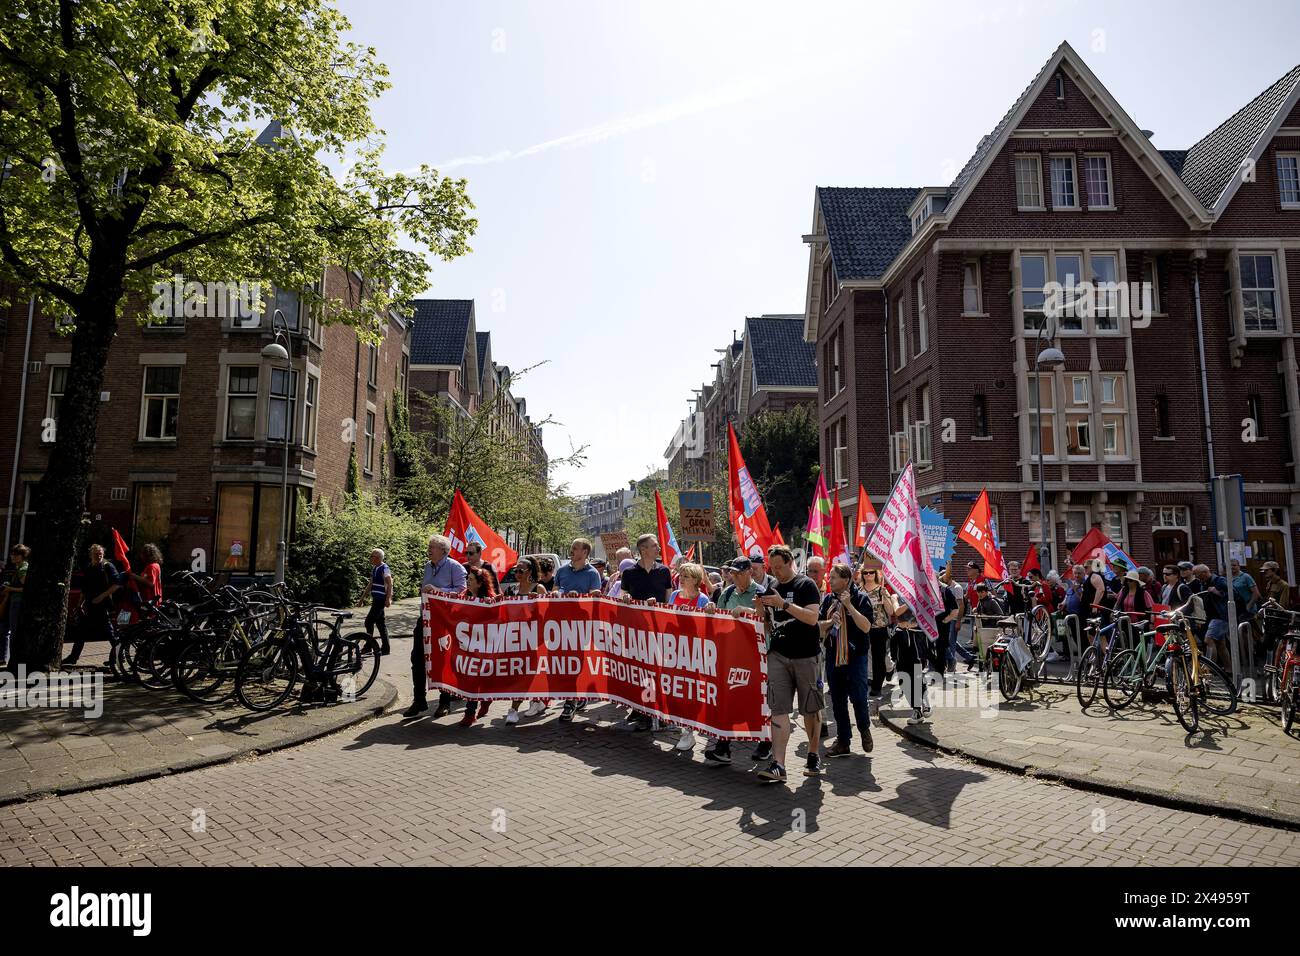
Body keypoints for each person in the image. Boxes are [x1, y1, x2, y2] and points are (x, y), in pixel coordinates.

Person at [755, 544, 824, 783]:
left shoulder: (806, 585)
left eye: (780, 567)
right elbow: (767, 622)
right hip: (778, 655)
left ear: (789, 563)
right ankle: (778, 765)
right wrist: (761, 609)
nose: (776, 572)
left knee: (810, 708)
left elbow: (813, 618)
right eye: (772, 568)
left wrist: (783, 604)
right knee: (778, 708)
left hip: (806, 655)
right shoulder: (771, 586)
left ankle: (813, 753)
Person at [705, 557, 764, 765]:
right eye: (733, 573)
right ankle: (723, 748)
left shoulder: (762, 592)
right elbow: (718, 619)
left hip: (755, 656)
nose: (735, 576)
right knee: (729, 698)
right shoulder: (727, 593)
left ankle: (765, 743)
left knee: (755, 700)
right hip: (732, 654)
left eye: (739, 572)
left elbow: (768, 621)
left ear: (750, 572)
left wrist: (749, 612)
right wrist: (711, 609)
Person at [404, 534, 466, 718]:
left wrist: (438, 591)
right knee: (417, 658)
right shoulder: (427, 567)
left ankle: (444, 702)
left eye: (432, 547)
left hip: (444, 621)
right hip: (424, 618)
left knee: (442, 660)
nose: (428, 549)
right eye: (429, 546)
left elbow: (462, 592)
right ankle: (419, 700)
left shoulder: (455, 567)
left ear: (443, 551)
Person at [817, 563, 874, 757]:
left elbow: (866, 627)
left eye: (833, 577)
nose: (829, 581)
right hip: (833, 655)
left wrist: (849, 606)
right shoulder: (827, 601)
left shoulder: (861, 598)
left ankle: (864, 728)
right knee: (838, 700)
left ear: (845, 579)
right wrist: (829, 621)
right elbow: (818, 627)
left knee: (858, 697)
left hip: (856, 656)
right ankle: (843, 741)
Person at [618, 535, 673, 731]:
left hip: (659, 630)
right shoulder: (630, 573)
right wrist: (626, 599)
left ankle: (661, 712)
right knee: (640, 671)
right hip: (637, 631)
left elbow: (669, 599)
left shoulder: (664, 571)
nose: (658, 548)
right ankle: (642, 712)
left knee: (660, 671)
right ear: (643, 549)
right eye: (654, 545)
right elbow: (622, 595)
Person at [666, 562, 714, 752]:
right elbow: (666, 617)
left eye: (685, 576)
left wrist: (710, 612)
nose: (681, 579)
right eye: (680, 575)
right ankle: (683, 727)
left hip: (694, 652)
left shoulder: (702, 600)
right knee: (677, 690)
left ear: (695, 580)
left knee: (691, 691)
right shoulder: (675, 596)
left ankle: (689, 731)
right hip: (675, 649)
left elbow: (709, 626)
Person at [506, 556, 550, 724]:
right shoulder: (511, 590)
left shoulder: (538, 589)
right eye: (515, 570)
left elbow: (547, 615)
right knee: (519, 673)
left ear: (530, 572)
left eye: (520, 570)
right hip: (516, 639)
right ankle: (538, 699)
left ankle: (513, 709)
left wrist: (536, 604)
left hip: (533, 640)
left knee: (526, 674)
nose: (517, 573)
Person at [62, 543, 121, 666]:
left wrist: (102, 596)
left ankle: (119, 656)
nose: (99, 555)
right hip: (90, 605)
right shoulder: (89, 568)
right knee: (81, 632)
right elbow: (84, 588)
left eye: (100, 553)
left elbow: (116, 584)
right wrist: (80, 604)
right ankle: (73, 657)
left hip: (102, 605)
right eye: (96, 554)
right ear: (91, 555)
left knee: (109, 632)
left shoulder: (108, 567)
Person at [458, 565, 498, 726]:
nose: (467, 582)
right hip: (467, 644)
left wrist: (490, 606)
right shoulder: (462, 596)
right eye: (467, 579)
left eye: (471, 580)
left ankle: (470, 713)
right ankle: (486, 698)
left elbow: (498, 618)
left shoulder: (489, 599)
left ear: (480, 583)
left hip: (483, 646)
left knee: (474, 678)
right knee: (469, 677)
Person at [859, 564, 897, 694]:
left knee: (878, 658)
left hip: (879, 628)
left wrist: (884, 598)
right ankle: (868, 678)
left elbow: (891, 611)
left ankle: (877, 686)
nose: (868, 575)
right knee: (864, 655)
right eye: (865, 573)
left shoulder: (882, 590)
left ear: (876, 574)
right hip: (863, 628)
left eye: (871, 572)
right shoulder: (859, 590)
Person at [1194, 563, 1232, 668]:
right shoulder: (1203, 583)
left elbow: (1233, 594)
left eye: (1197, 575)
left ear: (1205, 572)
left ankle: (1210, 669)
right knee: (1220, 644)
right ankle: (1229, 668)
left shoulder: (1220, 581)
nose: (1196, 578)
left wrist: (1217, 592)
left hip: (1220, 616)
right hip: (1210, 617)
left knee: (1208, 640)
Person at [0, 544, 29, 666]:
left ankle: (13, 659)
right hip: (12, 601)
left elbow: (25, 588)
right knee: (6, 630)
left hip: (17, 602)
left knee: (13, 631)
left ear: (22, 556)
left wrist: (9, 588)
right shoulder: (17, 567)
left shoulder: (23, 569)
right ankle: (4, 658)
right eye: (12, 554)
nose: (12, 556)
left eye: (15, 554)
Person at [361, 548, 393, 655]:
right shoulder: (375, 568)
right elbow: (371, 584)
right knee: (380, 624)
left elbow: (389, 583)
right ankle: (385, 649)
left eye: (372, 556)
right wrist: (362, 599)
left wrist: (388, 598)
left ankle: (369, 646)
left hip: (380, 600)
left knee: (368, 622)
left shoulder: (384, 568)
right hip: (376, 599)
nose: (370, 558)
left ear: (378, 558)